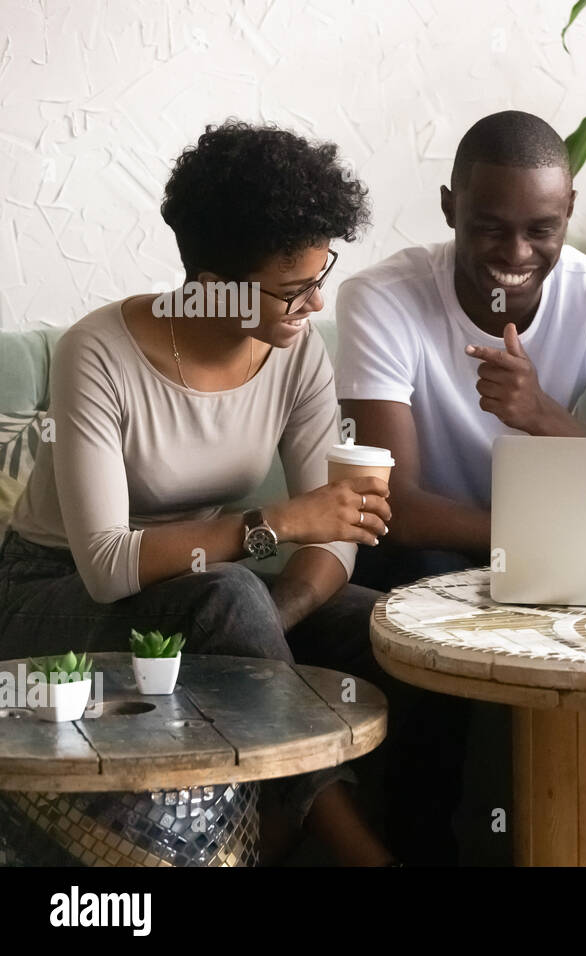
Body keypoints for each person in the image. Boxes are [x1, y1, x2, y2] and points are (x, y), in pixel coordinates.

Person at [0, 120, 416, 866]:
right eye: (294, 290)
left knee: (381, 628)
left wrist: (270, 621)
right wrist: (275, 524)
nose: (316, 304)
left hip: (205, 590)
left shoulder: (295, 354)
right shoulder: (97, 353)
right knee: (229, 594)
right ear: (216, 286)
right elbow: (106, 566)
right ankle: (353, 850)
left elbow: (332, 533)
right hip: (52, 593)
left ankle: (424, 839)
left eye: (320, 275)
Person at [334, 109, 586, 589]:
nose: (517, 253)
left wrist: (539, 413)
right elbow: (392, 506)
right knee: (425, 567)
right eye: (491, 229)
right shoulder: (382, 298)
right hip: (423, 554)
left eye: (541, 230)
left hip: (555, 547)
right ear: (450, 208)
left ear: (569, 209)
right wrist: (539, 541)